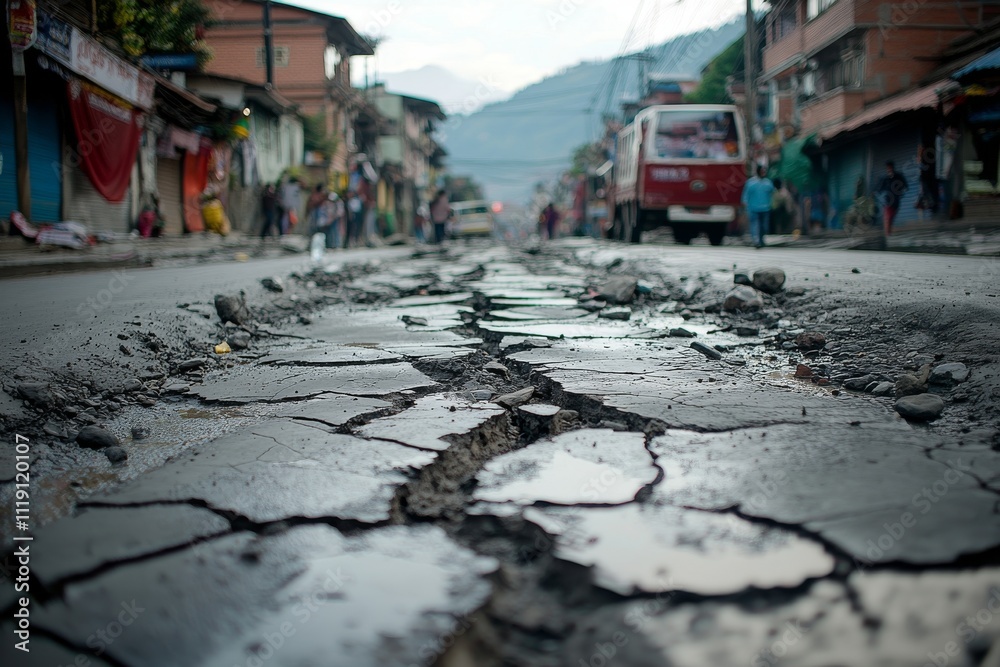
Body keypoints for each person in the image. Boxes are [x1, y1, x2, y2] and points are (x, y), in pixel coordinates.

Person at [741, 165, 775, 248]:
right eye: (762, 171)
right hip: (753, 208)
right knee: (755, 225)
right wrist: (745, 203)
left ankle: (761, 239)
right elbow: (745, 194)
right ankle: (756, 241)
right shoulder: (751, 183)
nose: (763, 173)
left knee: (764, 226)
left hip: (765, 208)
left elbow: (773, 193)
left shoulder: (768, 183)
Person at [877, 160, 908, 236]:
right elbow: (879, 189)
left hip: (896, 201)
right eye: (888, 168)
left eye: (890, 168)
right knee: (888, 217)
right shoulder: (885, 178)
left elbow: (906, 186)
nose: (889, 169)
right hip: (888, 201)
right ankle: (887, 234)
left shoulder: (899, 176)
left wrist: (901, 192)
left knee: (891, 218)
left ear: (893, 168)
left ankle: (889, 233)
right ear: (887, 169)